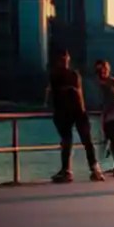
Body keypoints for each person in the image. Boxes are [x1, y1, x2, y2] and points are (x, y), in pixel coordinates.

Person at [45, 49, 102, 182]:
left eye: (66, 57)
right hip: (64, 112)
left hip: (77, 111)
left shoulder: (73, 74)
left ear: (68, 59)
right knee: (68, 141)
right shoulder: (56, 75)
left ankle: (94, 168)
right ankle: (67, 170)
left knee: (85, 140)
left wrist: (82, 110)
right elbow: (56, 94)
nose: (65, 60)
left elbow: (76, 93)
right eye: (62, 58)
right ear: (58, 61)